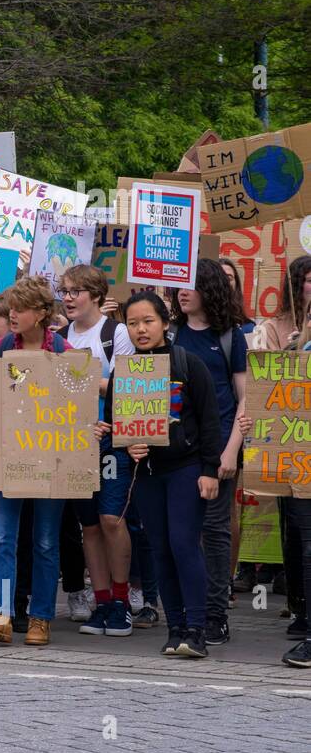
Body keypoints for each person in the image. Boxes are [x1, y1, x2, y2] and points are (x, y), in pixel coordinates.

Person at [99, 290, 220, 658]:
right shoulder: (125, 370)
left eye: (148, 321)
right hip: (148, 475)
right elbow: (117, 422)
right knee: (161, 550)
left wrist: (210, 470)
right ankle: (176, 628)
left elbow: (211, 421)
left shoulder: (188, 364)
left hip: (185, 469)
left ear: (165, 323)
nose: (140, 329)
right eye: (132, 323)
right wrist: (124, 444)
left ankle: (197, 628)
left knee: (184, 544)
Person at [0, 276, 70, 646]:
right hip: (8, 454)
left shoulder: (61, 348)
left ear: (41, 313)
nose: (12, 314)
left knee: (44, 540)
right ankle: (1, 615)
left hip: (50, 458)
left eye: (20, 308)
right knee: (1, 538)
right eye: (11, 307)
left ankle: (40, 617)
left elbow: (78, 395)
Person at [169, 258, 247, 646]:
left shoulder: (231, 336)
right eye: (179, 284)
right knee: (181, 534)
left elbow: (244, 401)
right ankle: (184, 611)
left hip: (218, 449)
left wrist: (229, 452)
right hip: (177, 453)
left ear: (210, 289)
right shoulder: (170, 334)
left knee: (215, 532)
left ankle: (215, 614)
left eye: (191, 284)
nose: (183, 291)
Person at [57, 264, 136, 637]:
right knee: (87, 525)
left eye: (75, 291)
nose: (68, 298)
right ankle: (101, 602)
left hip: (112, 439)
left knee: (111, 520)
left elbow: (127, 387)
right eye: (64, 291)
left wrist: (83, 380)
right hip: (75, 442)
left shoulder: (114, 333)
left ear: (96, 295)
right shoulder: (60, 336)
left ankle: (122, 601)